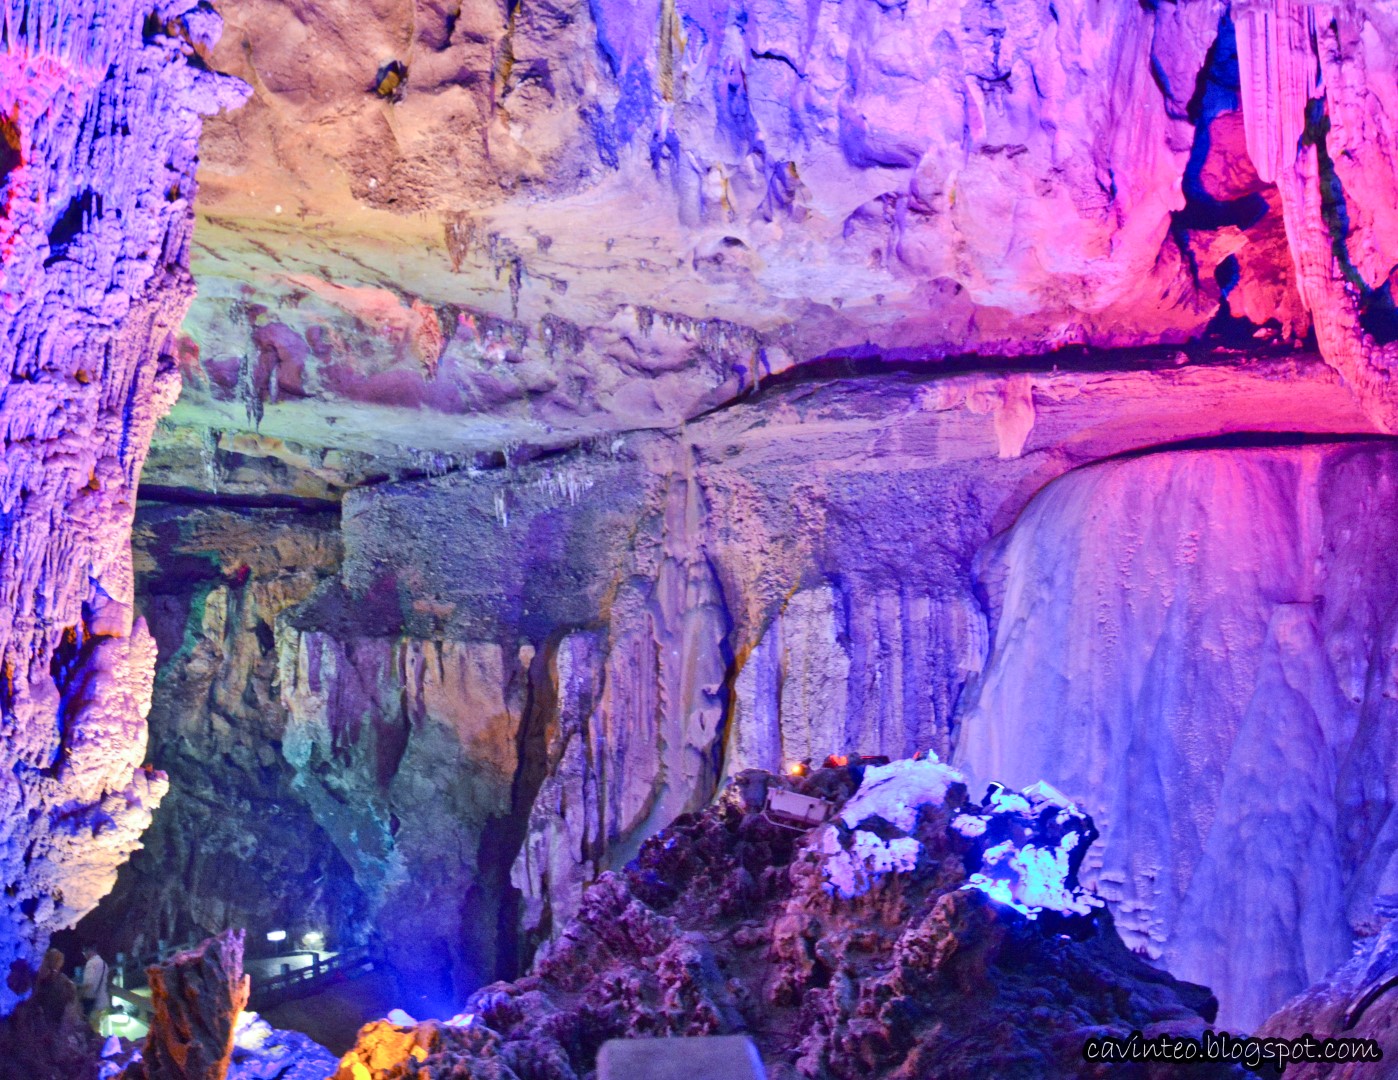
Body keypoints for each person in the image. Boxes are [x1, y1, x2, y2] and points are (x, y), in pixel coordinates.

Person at [79, 944, 110, 1032]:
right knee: (104, 1030)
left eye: (84, 952)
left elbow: (88, 984)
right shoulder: (104, 963)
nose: (84, 955)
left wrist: (78, 996)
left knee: (93, 1030)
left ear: (89, 951)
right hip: (104, 1001)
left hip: (94, 1005)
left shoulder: (91, 963)